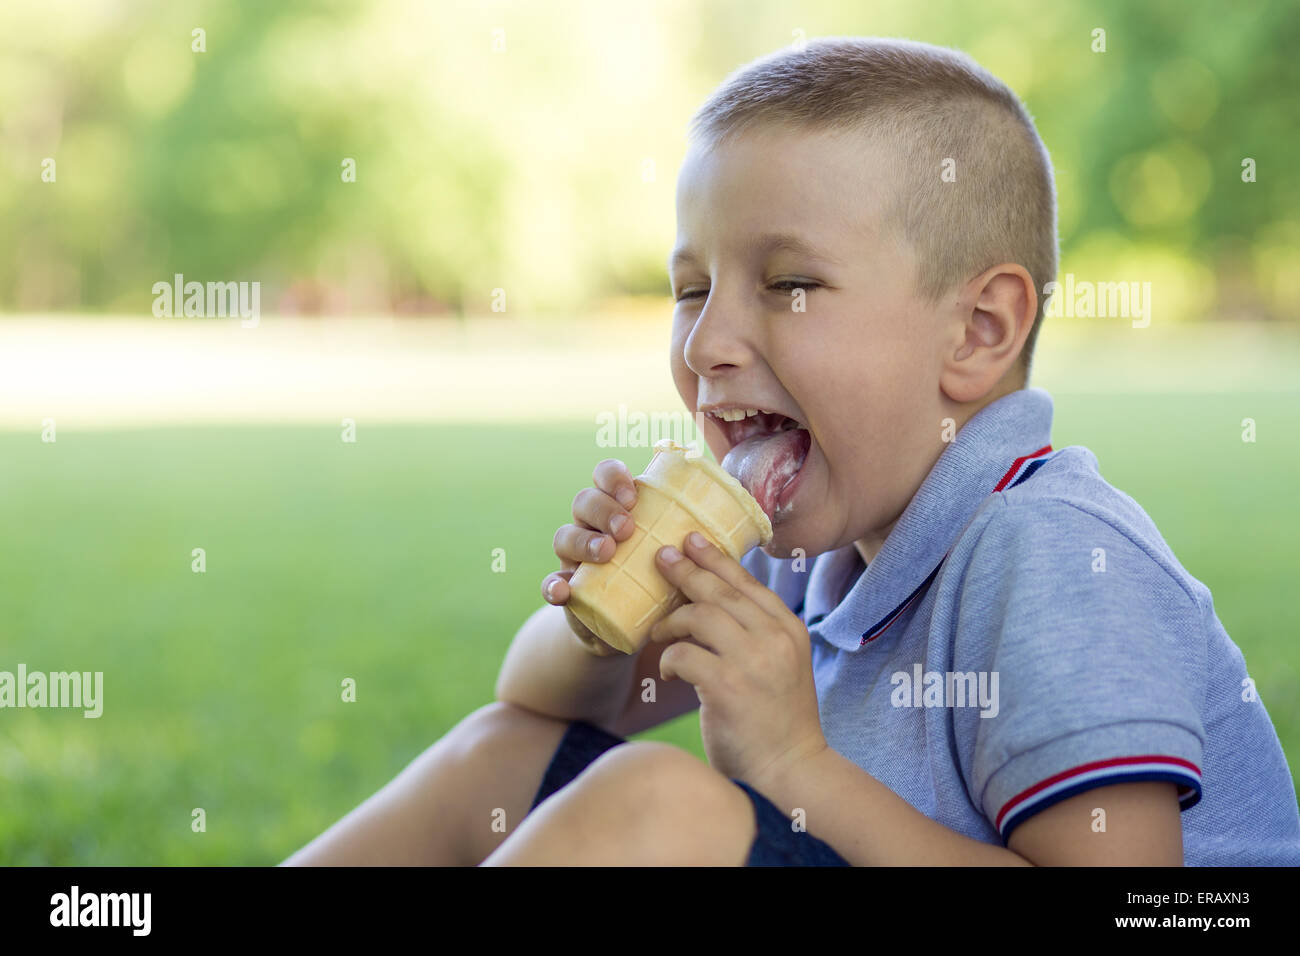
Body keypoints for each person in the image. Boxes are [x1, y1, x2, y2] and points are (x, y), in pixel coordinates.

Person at [284, 37, 1300, 867]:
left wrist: (797, 765)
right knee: (499, 761)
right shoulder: (801, 536)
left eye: (788, 285)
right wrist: (601, 610)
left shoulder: (1057, 556)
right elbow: (532, 705)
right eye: (691, 289)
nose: (706, 342)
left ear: (978, 331)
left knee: (658, 803)